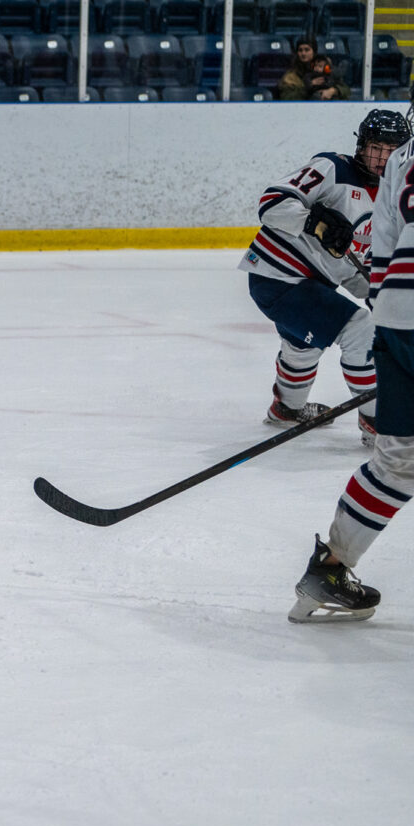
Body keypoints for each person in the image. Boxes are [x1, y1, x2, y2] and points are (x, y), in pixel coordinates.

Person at [288, 126, 414, 623]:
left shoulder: (402, 157)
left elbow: (382, 249)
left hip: (398, 314)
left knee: (399, 459)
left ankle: (330, 570)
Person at [238, 109, 411, 444]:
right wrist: (315, 221)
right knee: (361, 329)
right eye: (376, 147)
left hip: (309, 286)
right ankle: (379, 424)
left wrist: (385, 299)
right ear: (361, 146)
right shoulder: (333, 168)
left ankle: (286, 410)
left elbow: (354, 267)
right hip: (277, 277)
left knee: (302, 344)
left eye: (392, 151)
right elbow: (271, 204)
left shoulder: (389, 200)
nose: (382, 158)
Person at [277, 38, 348, 101]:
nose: (303, 53)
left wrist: (333, 91)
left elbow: (346, 89)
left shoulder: (325, 69)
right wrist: (308, 87)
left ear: (314, 52)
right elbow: (287, 98)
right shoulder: (290, 77)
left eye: (307, 50)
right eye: (300, 50)